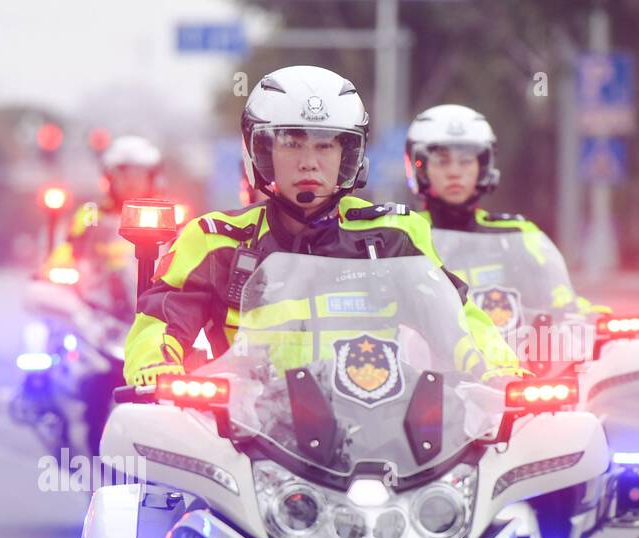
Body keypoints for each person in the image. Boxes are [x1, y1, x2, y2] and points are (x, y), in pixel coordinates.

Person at [122, 66, 524, 388]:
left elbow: (459, 320)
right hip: (245, 442)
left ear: (349, 153)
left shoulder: (393, 234)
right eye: (292, 143)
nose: (309, 162)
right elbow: (160, 321)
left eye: (325, 144)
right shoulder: (215, 240)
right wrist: (157, 367)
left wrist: (501, 372)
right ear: (260, 151)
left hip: (382, 436)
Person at [405, 103, 608, 319]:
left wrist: (587, 316)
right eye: (442, 161)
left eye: (465, 161)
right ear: (421, 168)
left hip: (516, 350)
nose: (454, 172)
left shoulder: (516, 234)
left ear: (482, 167)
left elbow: (559, 297)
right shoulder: (403, 234)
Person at [43, 135, 163, 322]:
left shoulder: (169, 216)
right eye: (122, 173)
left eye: (139, 173)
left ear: (152, 177)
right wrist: (58, 267)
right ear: (109, 177)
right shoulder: (90, 215)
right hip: (97, 313)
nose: (130, 181)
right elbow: (68, 250)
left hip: (156, 317)